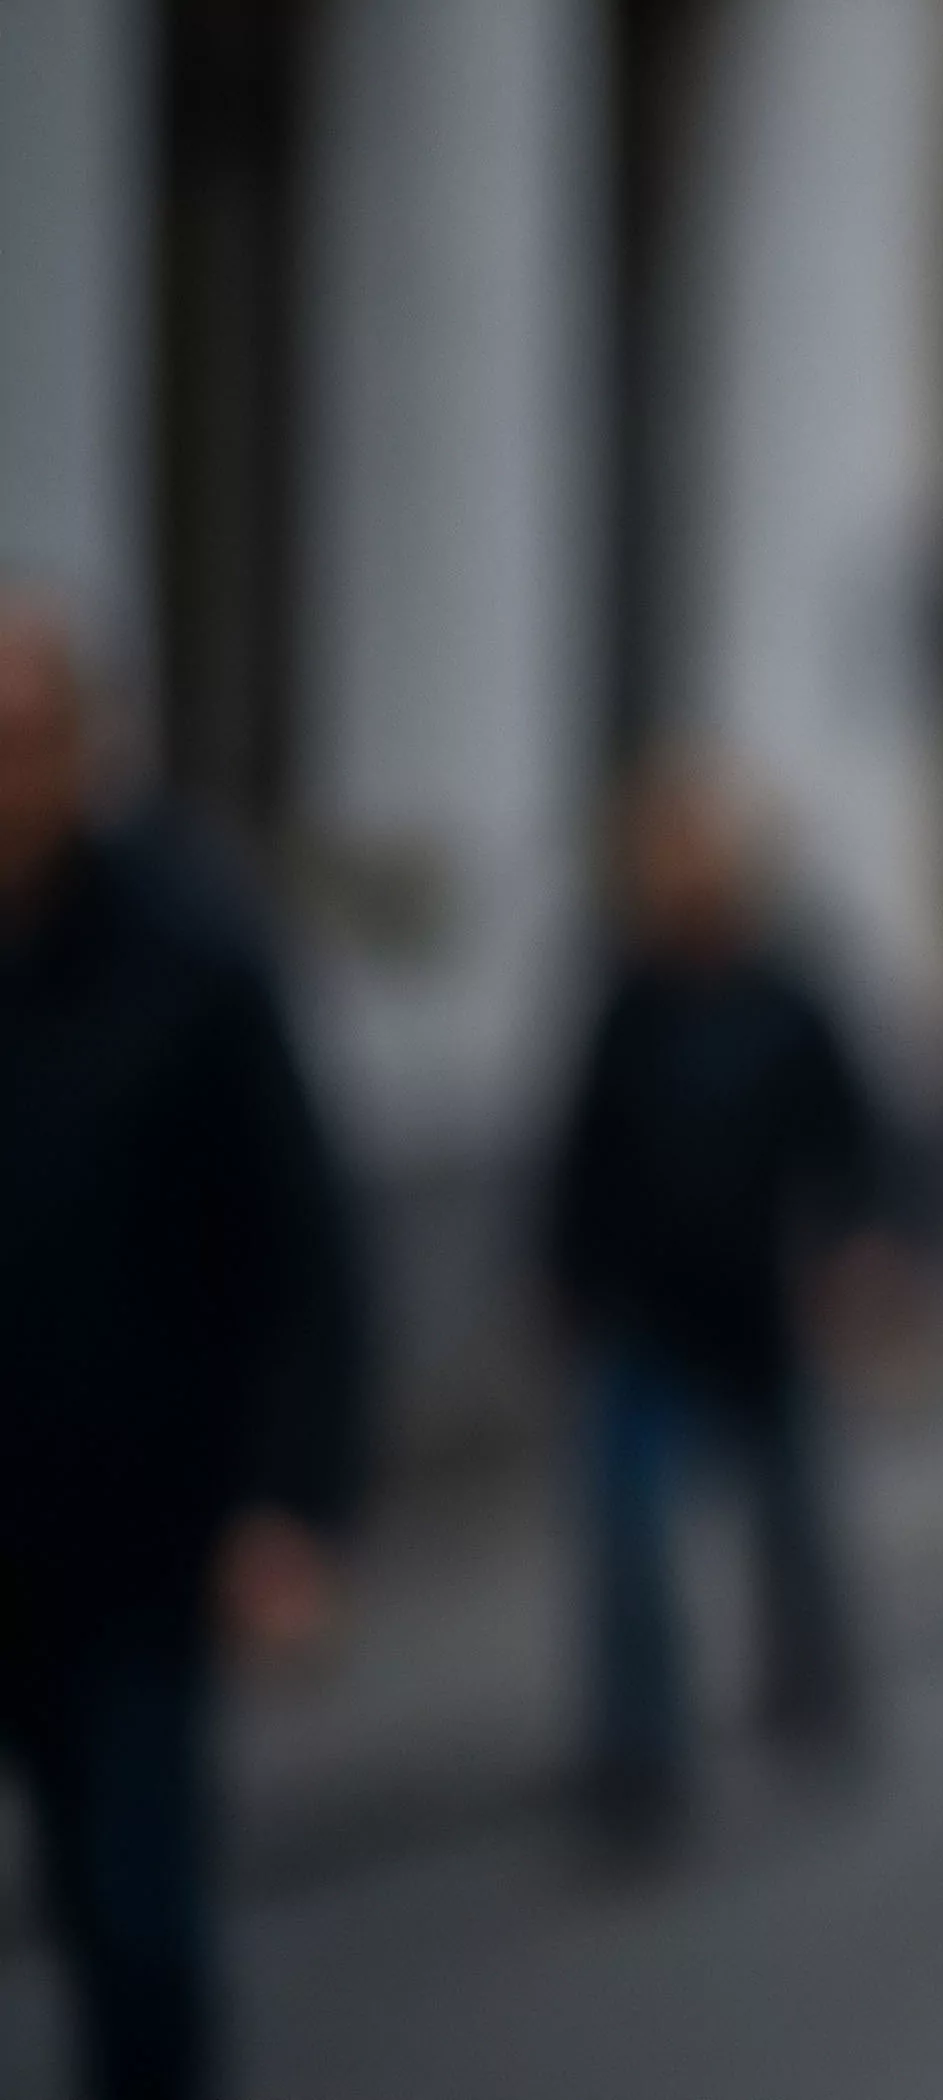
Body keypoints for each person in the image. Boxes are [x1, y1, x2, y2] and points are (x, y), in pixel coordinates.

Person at [0, 592, 366, 2100]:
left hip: (136, 1534)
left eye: (21, 741)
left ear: (89, 750)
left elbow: (304, 1247)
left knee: (138, 1921)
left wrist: (289, 1504)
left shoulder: (190, 950)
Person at [543, 755, 908, 1852]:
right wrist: (563, 1273)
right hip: (643, 1314)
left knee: (793, 1524)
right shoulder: (626, 1001)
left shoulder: (788, 999)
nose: (679, 876)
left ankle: (814, 1692)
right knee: (625, 1539)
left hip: (760, 1312)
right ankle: (637, 1750)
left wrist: (856, 1246)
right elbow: (581, 1152)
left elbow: (852, 1140)